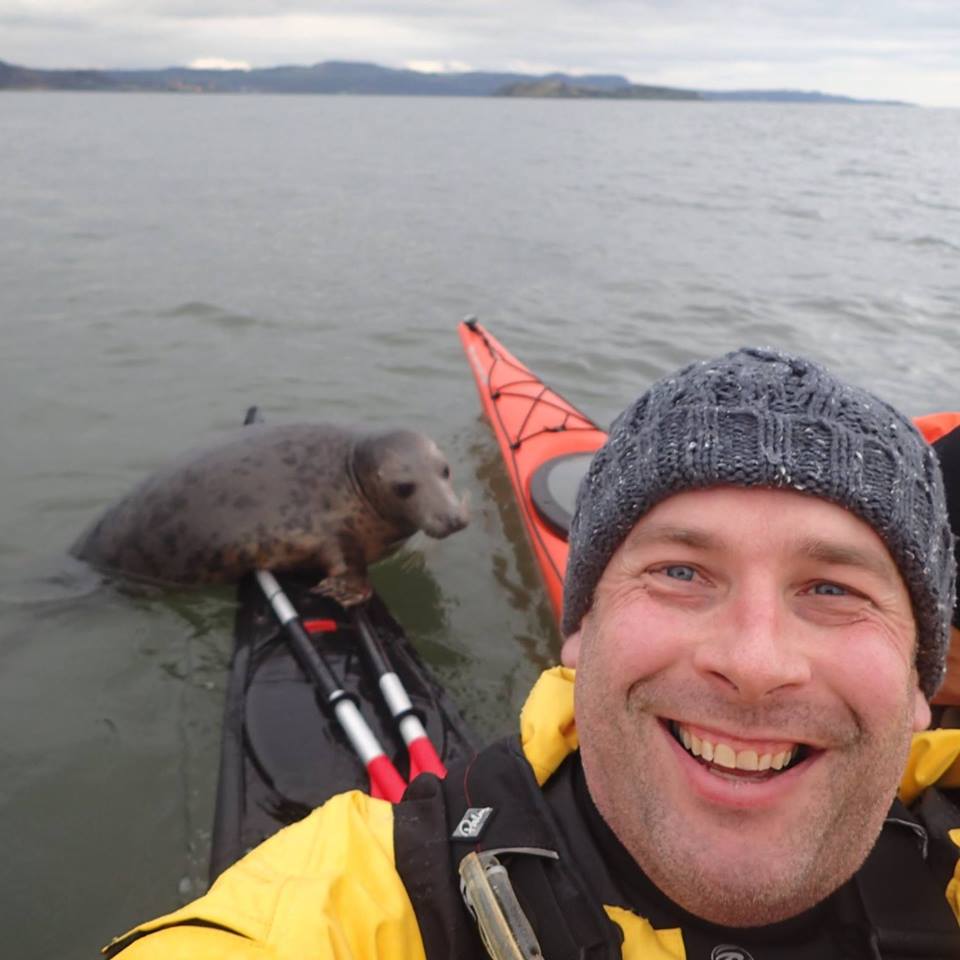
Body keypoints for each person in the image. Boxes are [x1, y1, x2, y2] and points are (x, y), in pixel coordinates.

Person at [105, 348, 960, 959]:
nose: (755, 659)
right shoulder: (383, 890)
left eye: (833, 589)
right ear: (578, 628)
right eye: (679, 570)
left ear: (929, 678)